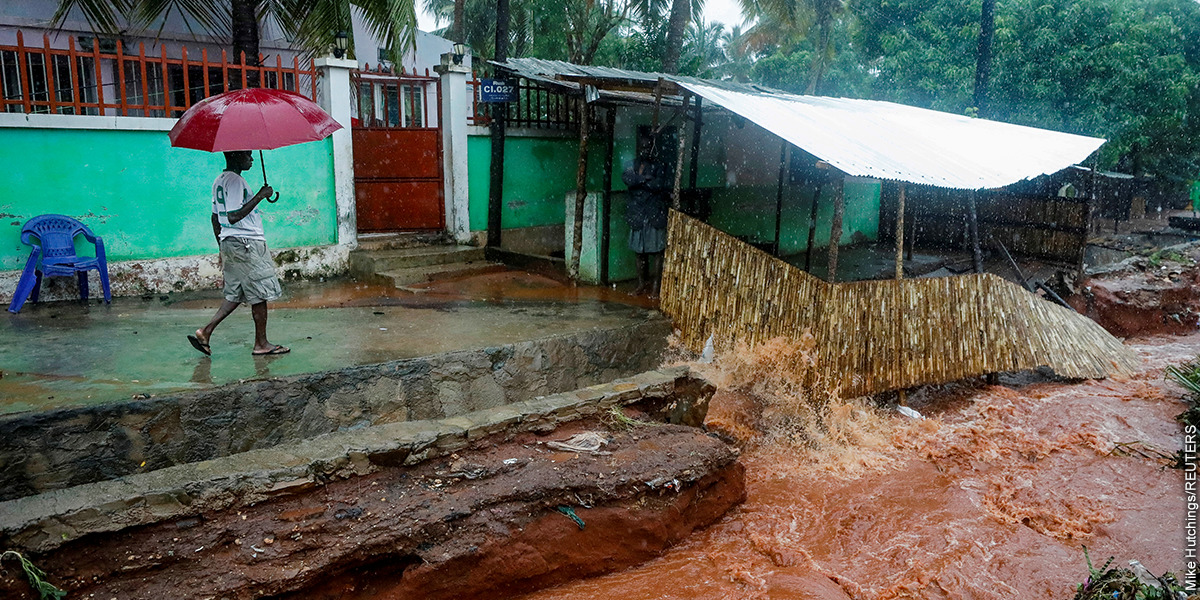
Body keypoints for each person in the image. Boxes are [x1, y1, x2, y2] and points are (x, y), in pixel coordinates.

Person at [187, 150, 289, 356]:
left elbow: (215, 217)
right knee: (259, 294)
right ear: (235, 156)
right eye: (247, 155)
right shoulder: (235, 181)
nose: (251, 159)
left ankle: (205, 332)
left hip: (230, 242)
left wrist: (222, 246)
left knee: (236, 293)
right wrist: (260, 196)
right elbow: (233, 216)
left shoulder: (219, 180)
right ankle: (261, 344)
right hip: (246, 243)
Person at [622, 143, 670, 296]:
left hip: (653, 212)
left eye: (648, 148)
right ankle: (642, 284)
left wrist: (638, 181)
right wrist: (644, 179)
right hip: (637, 214)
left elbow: (658, 184)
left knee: (657, 251)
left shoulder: (659, 165)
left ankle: (656, 286)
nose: (645, 150)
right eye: (642, 147)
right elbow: (627, 179)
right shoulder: (632, 164)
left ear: (653, 149)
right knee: (638, 252)